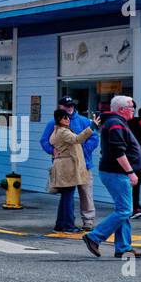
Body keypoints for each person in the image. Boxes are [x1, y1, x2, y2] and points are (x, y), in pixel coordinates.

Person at [82, 95, 141, 259]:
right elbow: (118, 152)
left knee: (122, 210)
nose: (133, 111)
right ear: (122, 109)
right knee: (125, 210)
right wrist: (131, 172)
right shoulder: (116, 124)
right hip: (117, 173)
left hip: (115, 172)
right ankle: (94, 237)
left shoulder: (115, 122)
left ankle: (123, 247)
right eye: (132, 108)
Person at [41, 96, 100, 231]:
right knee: (67, 195)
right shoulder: (54, 123)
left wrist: (83, 151)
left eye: (71, 105)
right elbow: (44, 141)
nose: (70, 108)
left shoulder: (83, 121)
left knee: (86, 193)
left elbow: (94, 139)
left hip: (84, 164)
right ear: (60, 107)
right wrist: (52, 150)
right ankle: (67, 223)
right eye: (66, 105)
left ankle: (88, 221)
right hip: (67, 165)